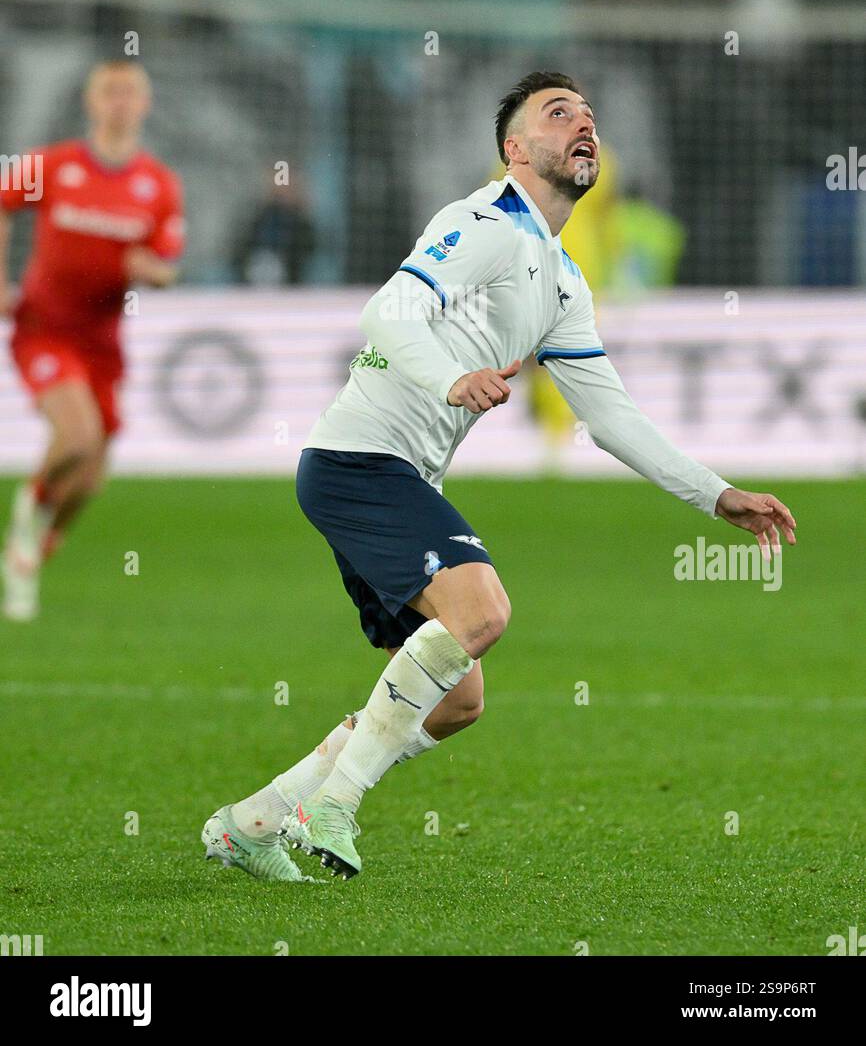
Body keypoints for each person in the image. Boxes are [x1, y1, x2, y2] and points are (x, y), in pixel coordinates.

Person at [202, 71, 796, 883]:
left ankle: (254, 821)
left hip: (401, 475)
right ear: (515, 149)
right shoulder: (483, 221)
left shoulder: (560, 279)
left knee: (458, 700)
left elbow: (613, 417)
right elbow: (387, 312)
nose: (583, 125)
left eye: (590, 115)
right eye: (558, 115)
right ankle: (334, 805)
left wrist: (716, 493)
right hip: (356, 460)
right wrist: (449, 377)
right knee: (482, 610)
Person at [0, 60, 184, 620]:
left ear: (144, 104)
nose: (119, 101)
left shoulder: (157, 184)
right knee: (75, 438)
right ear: (91, 101)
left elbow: (167, 263)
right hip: (45, 329)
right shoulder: (55, 165)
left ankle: (32, 549)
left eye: (130, 92)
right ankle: (27, 508)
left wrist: (149, 271)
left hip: (103, 343)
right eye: (110, 91)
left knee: (90, 478)